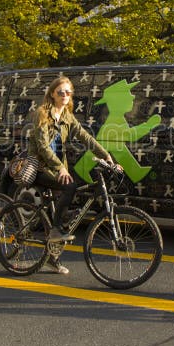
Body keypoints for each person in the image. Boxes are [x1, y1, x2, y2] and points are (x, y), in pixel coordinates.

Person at [28, 76, 118, 274]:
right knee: (70, 187)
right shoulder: (42, 114)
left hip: (59, 168)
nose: (65, 96)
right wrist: (60, 168)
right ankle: (54, 230)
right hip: (41, 168)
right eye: (61, 92)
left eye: (69, 92)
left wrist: (106, 156)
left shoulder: (68, 116)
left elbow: (85, 137)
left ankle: (53, 256)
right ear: (52, 93)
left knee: (66, 212)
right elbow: (43, 147)